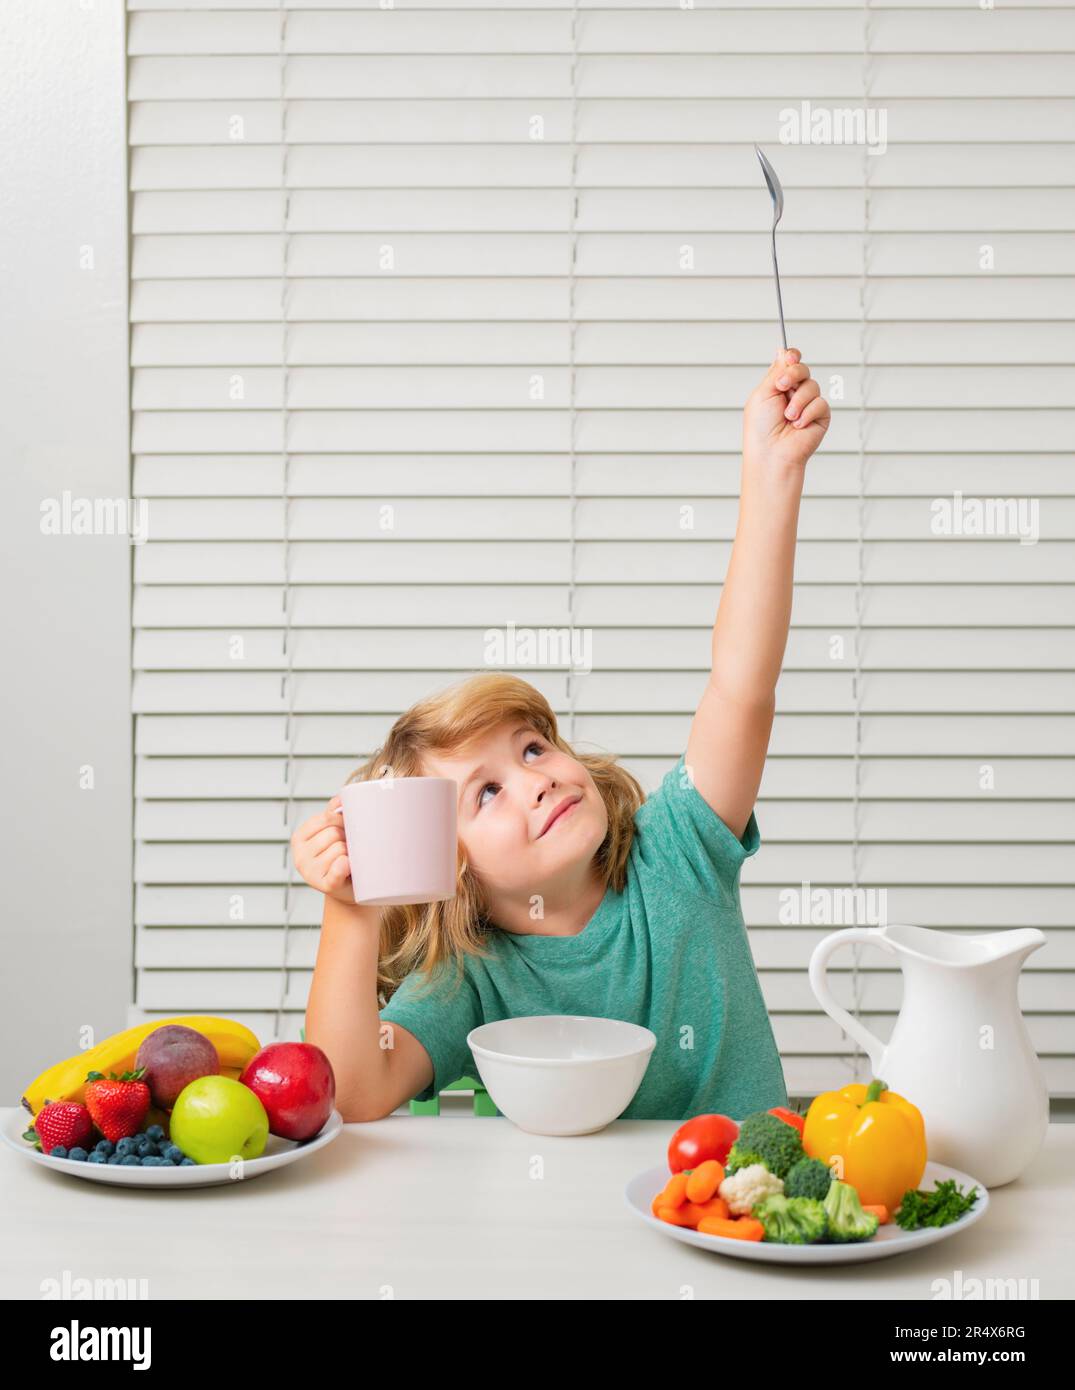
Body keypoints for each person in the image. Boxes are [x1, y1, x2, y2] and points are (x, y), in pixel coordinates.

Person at [297, 348, 830, 1120]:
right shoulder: (472, 976)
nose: (535, 779)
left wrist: (771, 476)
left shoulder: (678, 850)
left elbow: (741, 686)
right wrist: (349, 909)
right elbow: (353, 1091)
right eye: (486, 792)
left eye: (533, 748)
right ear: (449, 865)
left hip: (739, 1221)